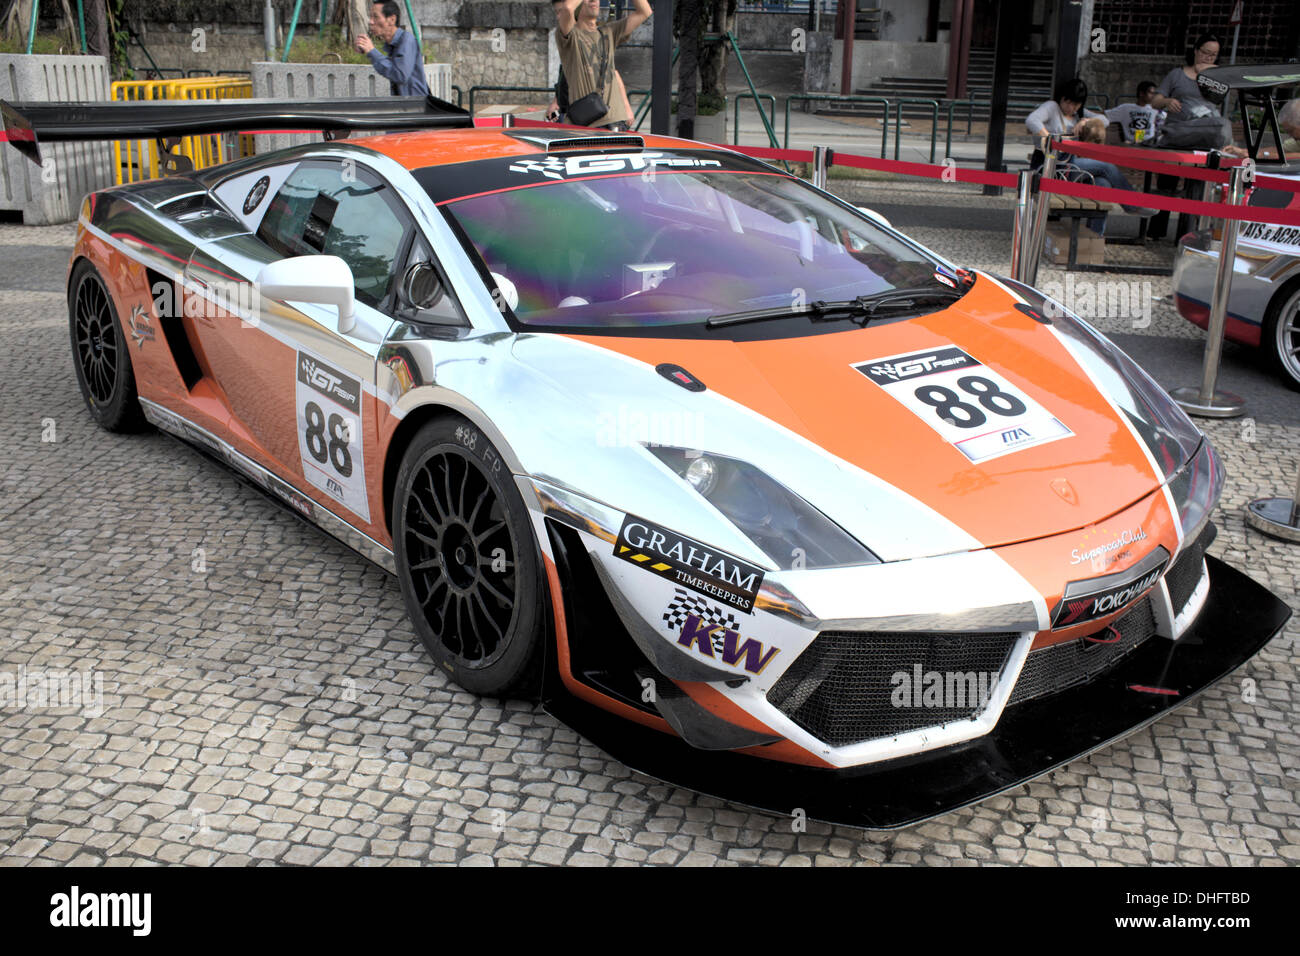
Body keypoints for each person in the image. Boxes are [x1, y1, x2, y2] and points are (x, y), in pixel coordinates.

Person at [1026, 78, 1147, 225]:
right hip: (1054, 169)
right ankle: (1133, 204)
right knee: (1107, 167)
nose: (1072, 108)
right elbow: (1032, 120)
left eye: (1076, 105)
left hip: (1072, 167)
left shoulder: (1079, 114)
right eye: (1069, 103)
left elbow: (1104, 119)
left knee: (1104, 184)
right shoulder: (1052, 107)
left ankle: (1093, 237)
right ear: (1062, 98)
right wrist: (1050, 139)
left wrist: (1085, 122)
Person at [552, 0, 652, 131]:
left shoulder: (609, 32)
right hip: (587, 127)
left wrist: (626, 106)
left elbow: (645, 12)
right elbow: (567, 8)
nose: (594, 1)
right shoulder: (570, 36)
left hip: (617, 123)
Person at [1149, 33, 1245, 154]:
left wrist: (1208, 74)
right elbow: (1154, 102)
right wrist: (1166, 101)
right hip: (1180, 126)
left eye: (1213, 55)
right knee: (1221, 126)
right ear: (1196, 51)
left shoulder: (1217, 77)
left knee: (1222, 126)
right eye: (1205, 53)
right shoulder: (1177, 74)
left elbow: (1219, 96)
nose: (1208, 58)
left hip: (1207, 127)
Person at [356, 1, 430, 97]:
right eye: (370, 17)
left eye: (376, 17)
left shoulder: (407, 41)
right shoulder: (392, 44)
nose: (371, 22)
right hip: (404, 105)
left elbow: (400, 75)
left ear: (392, 19)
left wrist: (372, 51)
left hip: (415, 106)